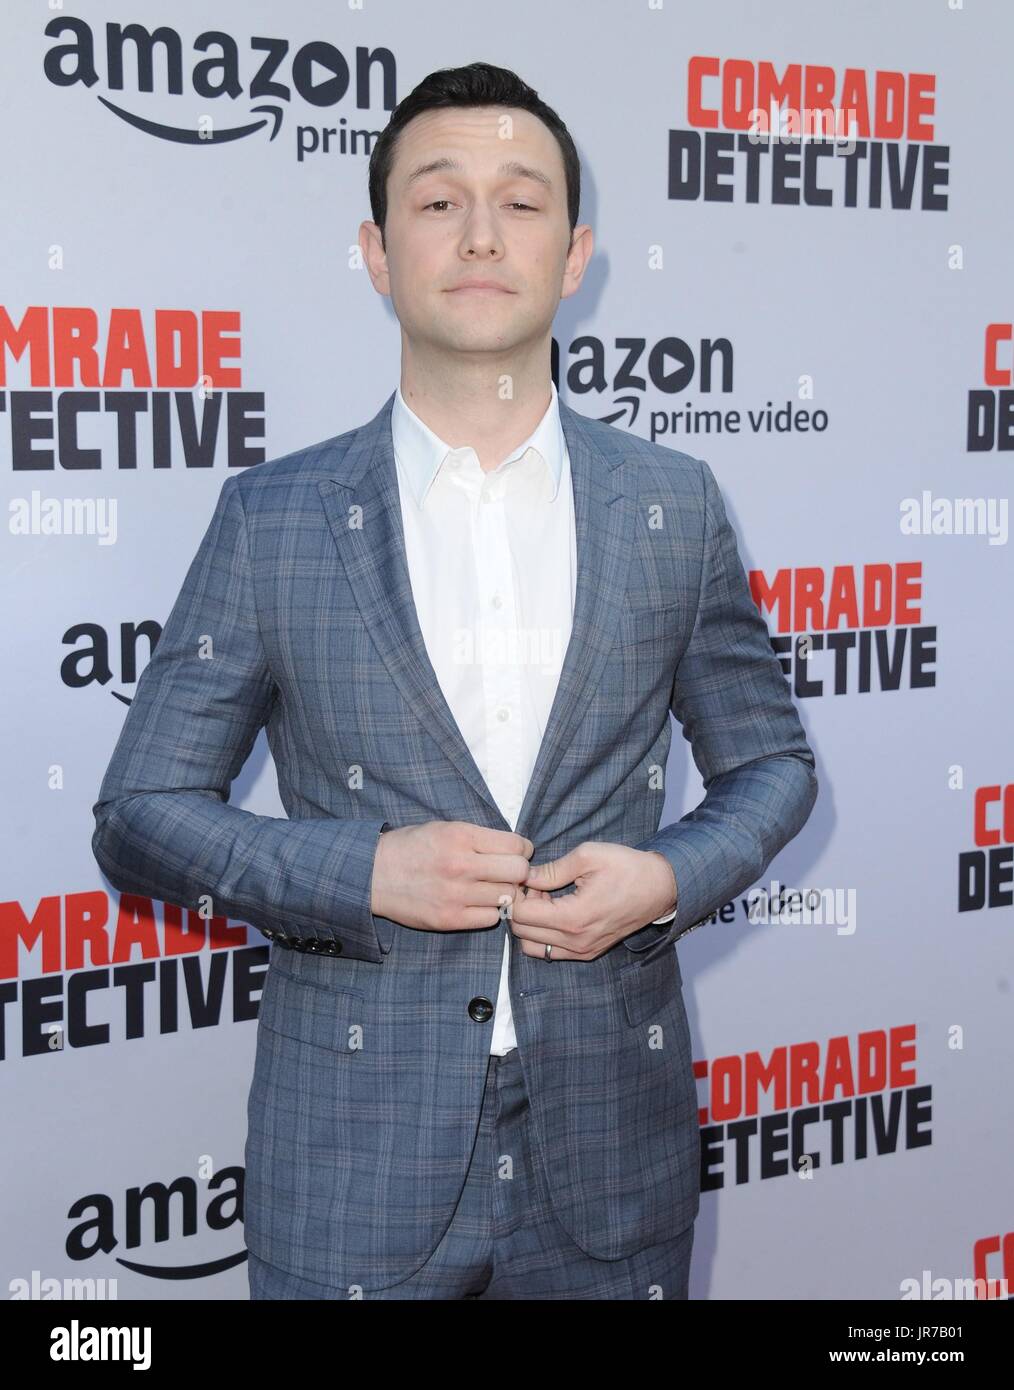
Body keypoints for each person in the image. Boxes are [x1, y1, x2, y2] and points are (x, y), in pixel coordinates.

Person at [92, 61, 817, 1300]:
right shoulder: (277, 518)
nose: (481, 233)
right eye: (438, 202)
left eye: (521, 201)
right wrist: (361, 868)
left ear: (576, 251)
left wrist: (664, 878)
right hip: (351, 1158)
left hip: (611, 1148)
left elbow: (772, 767)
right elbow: (140, 814)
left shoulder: (673, 506)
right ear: (376, 251)